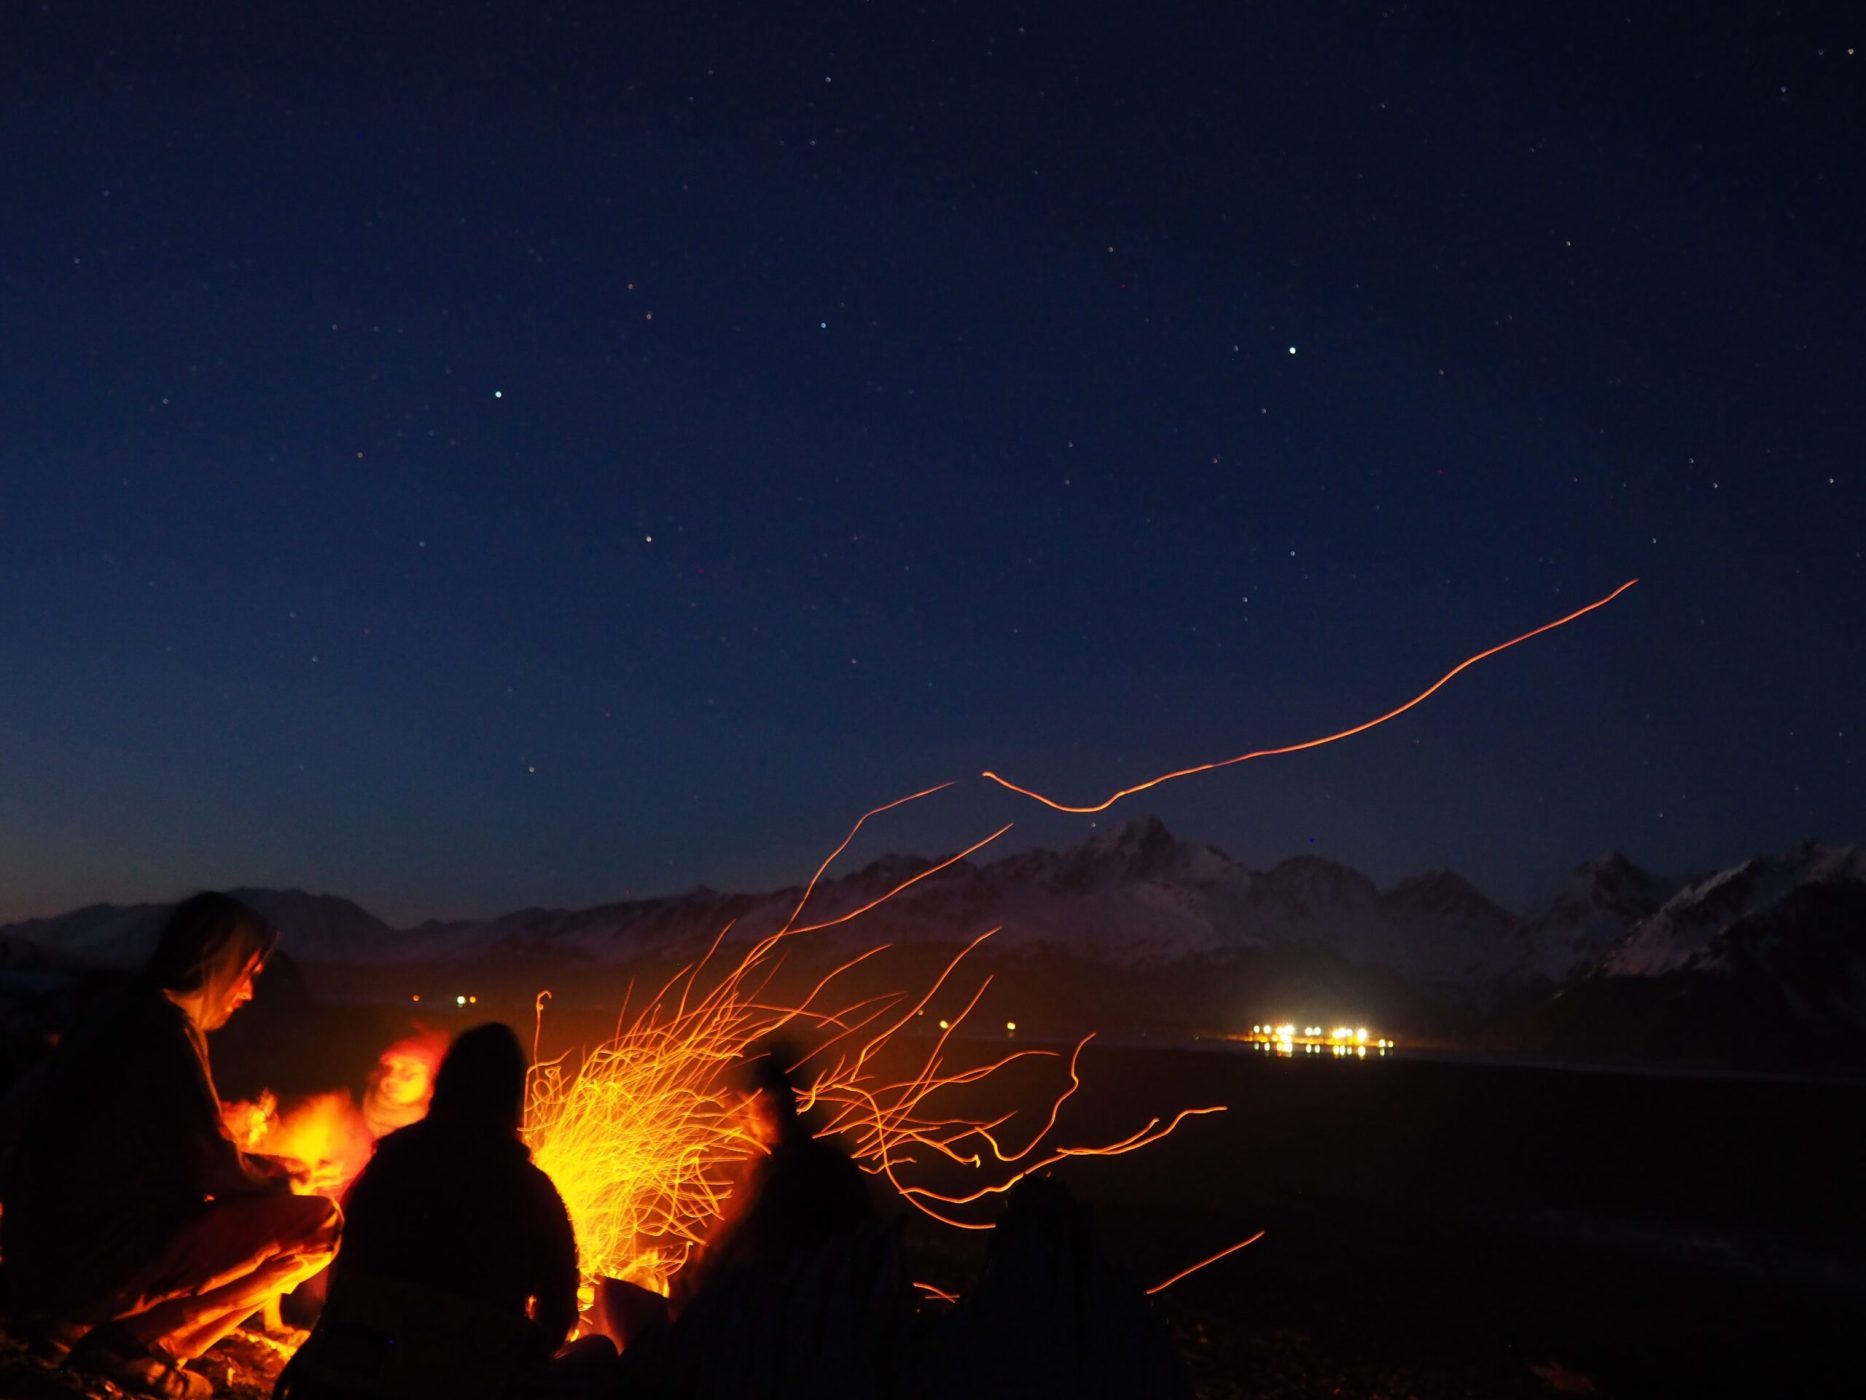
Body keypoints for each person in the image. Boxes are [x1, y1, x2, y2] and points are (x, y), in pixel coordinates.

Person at [1, 892, 341, 1399]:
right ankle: (140, 1343)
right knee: (319, 1223)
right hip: (90, 1261)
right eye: (246, 974)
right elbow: (210, 1167)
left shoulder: (111, 1012)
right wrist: (282, 1180)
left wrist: (263, 1167)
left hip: (37, 1252)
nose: (247, 993)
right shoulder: (165, 1029)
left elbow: (172, 1150)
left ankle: (89, 1328)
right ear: (216, 965)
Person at [276, 1022, 588, 1399]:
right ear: (512, 1099)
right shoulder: (535, 1192)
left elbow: (343, 1279)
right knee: (595, 1359)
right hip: (464, 1383)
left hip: (348, 1378)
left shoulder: (387, 1165)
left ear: (441, 1086)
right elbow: (558, 1319)